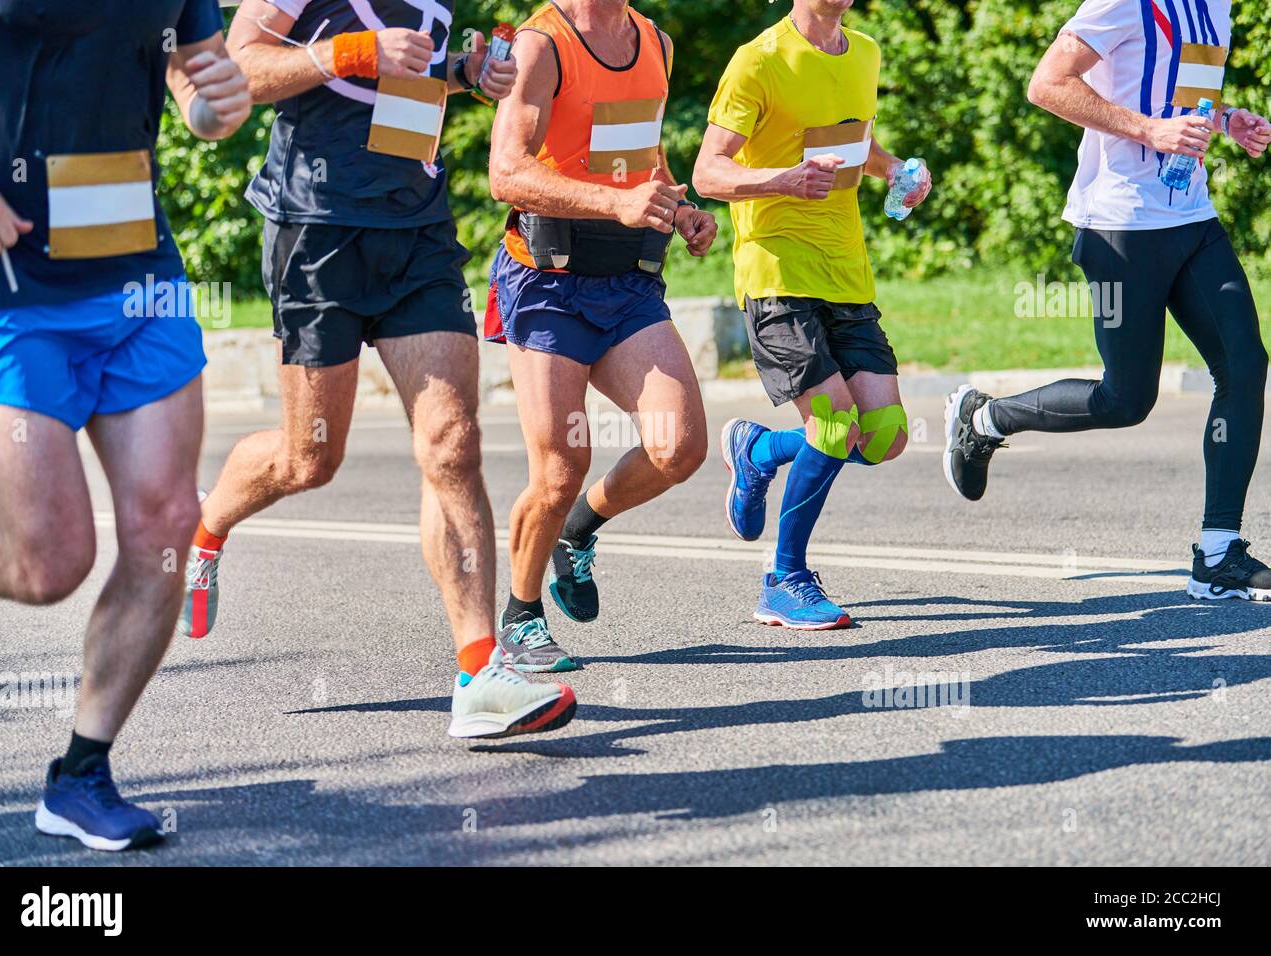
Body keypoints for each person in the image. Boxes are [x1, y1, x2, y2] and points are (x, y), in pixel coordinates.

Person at [183, 0, 576, 739]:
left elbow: (410, 79)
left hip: (416, 230)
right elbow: (233, 72)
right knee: (308, 460)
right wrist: (348, 53)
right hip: (317, 230)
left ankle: (479, 671)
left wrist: (463, 72)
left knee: (452, 441)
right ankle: (203, 526)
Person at [0, 0, 251, 850]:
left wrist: (217, 104)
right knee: (49, 559)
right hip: (6, 279)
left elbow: (192, 81)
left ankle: (82, 773)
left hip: (138, 270)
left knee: (166, 522)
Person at [943, 0, 1271, 602]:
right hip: (1120, 226)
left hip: (1192, 217)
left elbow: (1184, 96)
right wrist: (1151, 130)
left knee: (1246, 366)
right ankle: (984, 418)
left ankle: (1219, 551)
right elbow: (1047, 84)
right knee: (1126, 400)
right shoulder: (1125, 3)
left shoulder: (1218, 7)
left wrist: (1226, 122)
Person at [485, 0, 717, 671]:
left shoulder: (655, 42)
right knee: (559, 467)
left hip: (628, 283)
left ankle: (579, 532)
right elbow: (507, 172)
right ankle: (521, 619)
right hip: (548, 282)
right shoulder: (540, 45)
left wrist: (677, 207)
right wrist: (613, 202)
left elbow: (642, 153)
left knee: (680, 448)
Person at [692, 0, 931, 629]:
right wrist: (783, 182)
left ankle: (760, 450)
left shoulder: (866, 53)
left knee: (883, 438)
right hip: (776, 269)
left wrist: (893, 169)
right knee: (832, 425)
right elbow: (708, 172)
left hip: (845, 269)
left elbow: (855, 142)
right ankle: (784, 578)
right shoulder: (759, 61)